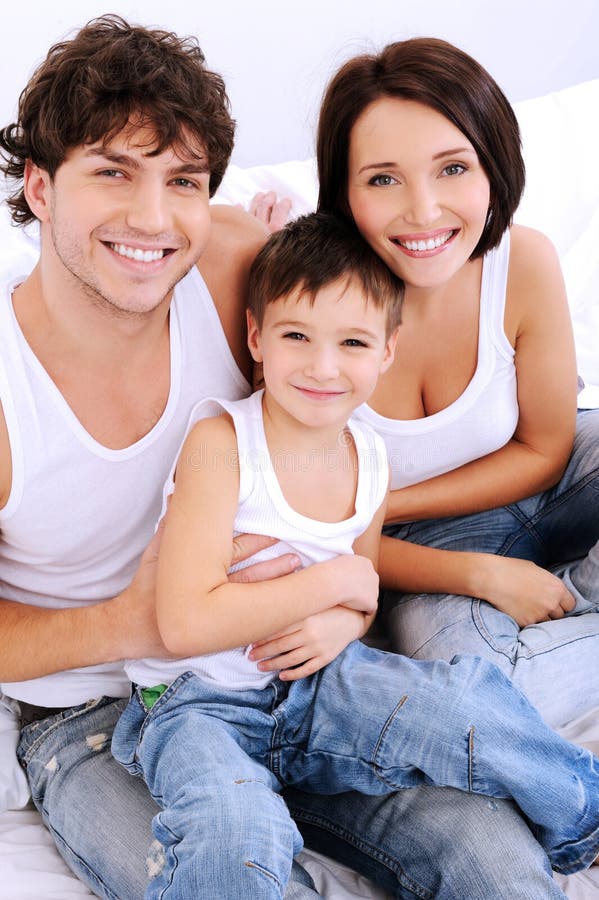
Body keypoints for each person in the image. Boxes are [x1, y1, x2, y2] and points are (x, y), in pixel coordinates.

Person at [0, 16, 571, 900]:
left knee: (497, 861)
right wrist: (135, 621)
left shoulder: (232, 270)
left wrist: (347, 601)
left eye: (182, 180)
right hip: (90, 709)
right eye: (112, 172)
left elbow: (357, 353)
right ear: (38, 186)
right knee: (235, 876)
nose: (151, 219)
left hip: (287, 667)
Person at [112, 210, 599, 899]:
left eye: (351, 342)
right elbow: (185, 624)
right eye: (296, 336)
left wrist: (344, 604)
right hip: (199, 704)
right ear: (257, 337)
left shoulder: (368, 456)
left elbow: (362, 588)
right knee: (236, 837)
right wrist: (332, 583)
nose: (322, 366)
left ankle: (584, 819)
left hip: (321, 682)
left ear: (386, 350)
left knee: (465, 705)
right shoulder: (222, 443)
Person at [300, 37, 599, 730]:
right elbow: (324, 535)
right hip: (417, 554)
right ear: (342, 191)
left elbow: (544, 446)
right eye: (382, 179)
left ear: (493, 165)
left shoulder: (521, 261)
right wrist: (482, 575)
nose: (424, 211)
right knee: (497, 693)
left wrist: (384, 498)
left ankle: (569, 599)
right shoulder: (310, 310)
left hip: (543, 481)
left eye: (452, 168)